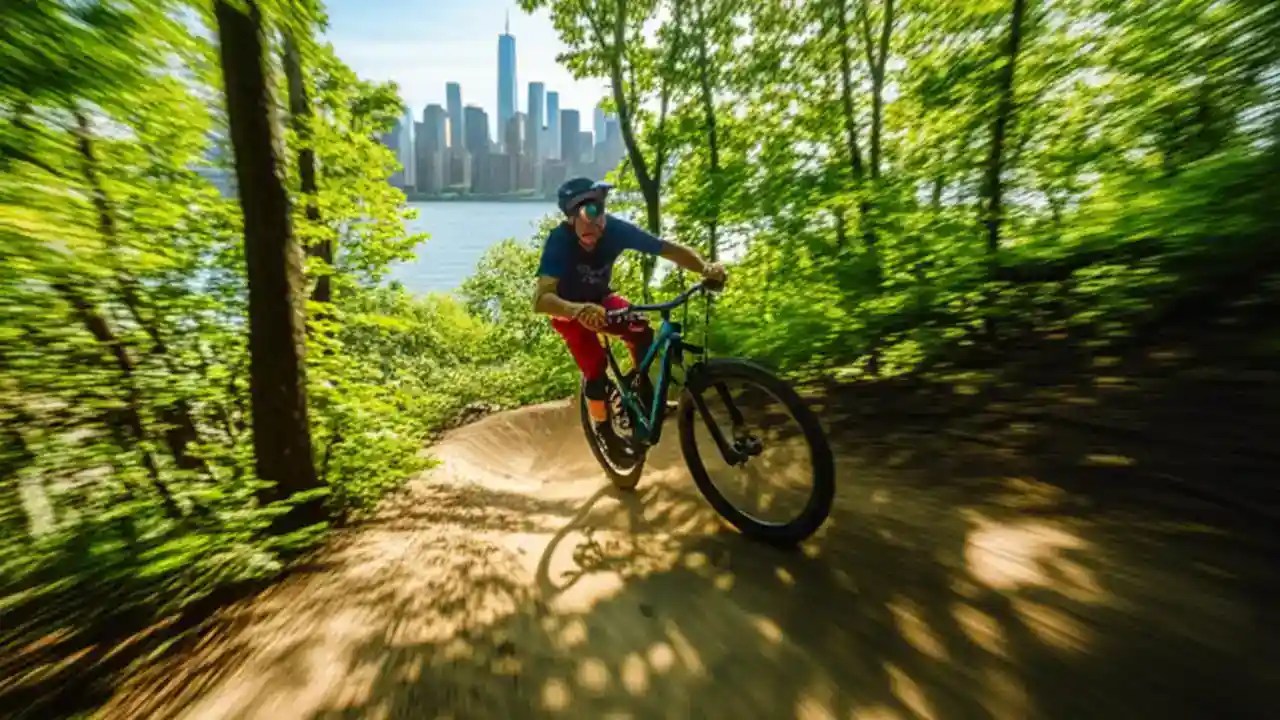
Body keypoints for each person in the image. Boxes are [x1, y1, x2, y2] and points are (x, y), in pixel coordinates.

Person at [533, 177, 726, 457]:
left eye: (599, 219)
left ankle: (643, 392)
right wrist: (578, 311)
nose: (594, 229)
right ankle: (604, 432)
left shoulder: (616, 231)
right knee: (595, 368)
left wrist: (705, 268)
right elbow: (541, 300)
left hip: (602, 300)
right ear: (571, 219)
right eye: (585, 220)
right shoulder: (559, 241)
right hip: (567, 312)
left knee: (640, 330)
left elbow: (666, 248)